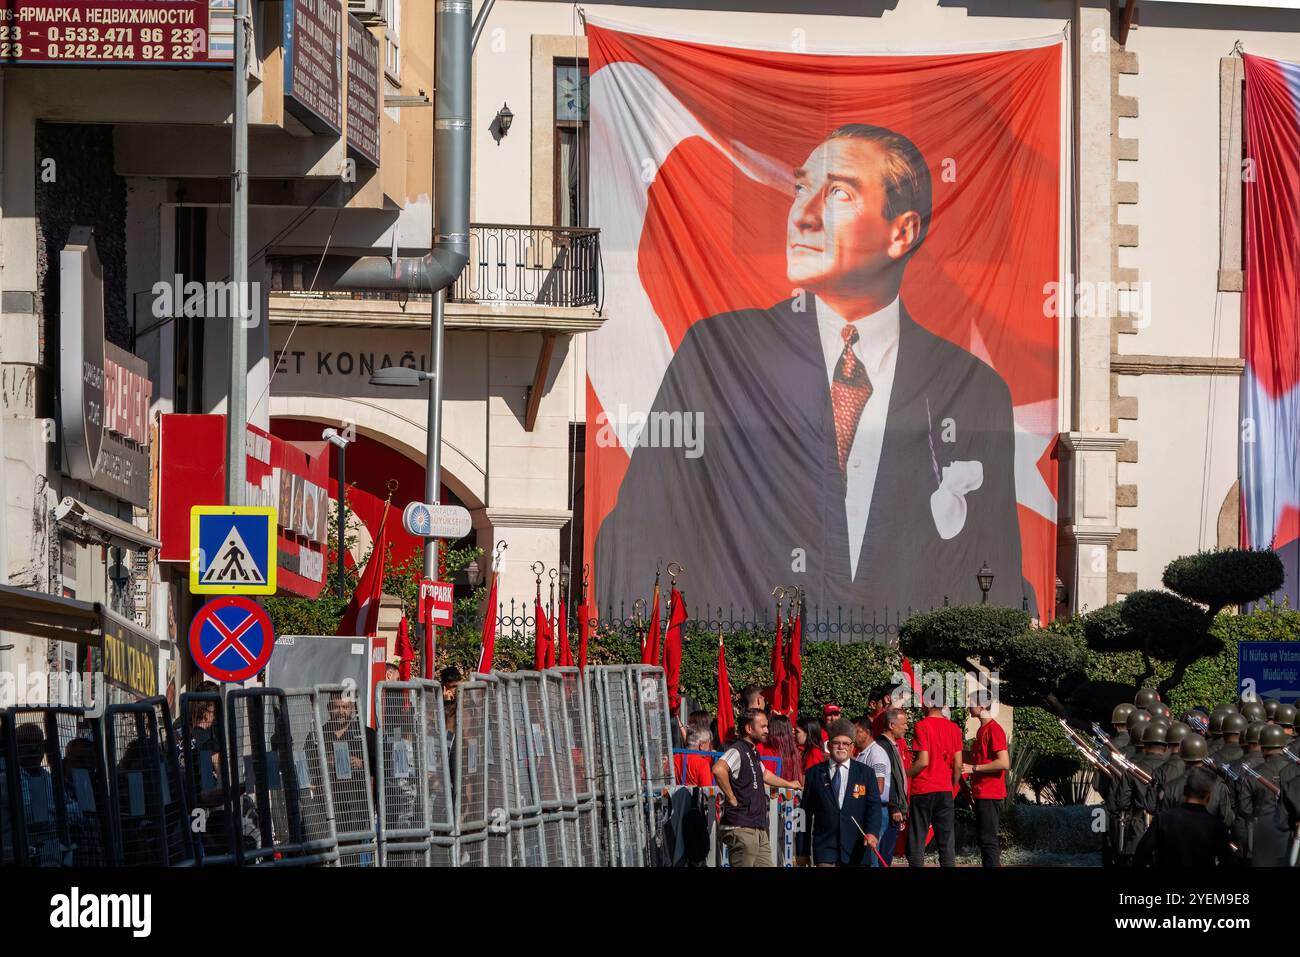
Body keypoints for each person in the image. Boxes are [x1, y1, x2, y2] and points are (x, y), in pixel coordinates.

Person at [594, 123, 1027, 617]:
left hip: (905, 683)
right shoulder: (719, 353)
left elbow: (994, 574)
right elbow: (639, 532)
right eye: (801, 188)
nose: (803, 214)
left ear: (902, 231)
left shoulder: (973, 390)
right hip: (746, 674)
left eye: (839, 193)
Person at [712, 709, 803, 867]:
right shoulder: (737, 749)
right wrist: (731, 797)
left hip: (757, 826)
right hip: (741, 825)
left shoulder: (752, 752)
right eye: (763, 726)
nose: (767, 730)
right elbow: (718, 769)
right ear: (749, 728)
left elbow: (765, 774)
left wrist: (789, 784)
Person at [800, 719, 881, 866]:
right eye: (837, 743)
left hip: (856, 848)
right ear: (829, 745)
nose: (841, 747)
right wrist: (801, 851)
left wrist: (872, 832)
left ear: (852, 747)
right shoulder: (814, 774)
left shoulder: (866, 773)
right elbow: (804, 813)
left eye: (846, 743)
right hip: (825, 848)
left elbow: (874, 807)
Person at [1133, 768, 1237, 868]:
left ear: (1184, 791)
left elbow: (1141, 854)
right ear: (1208, 797)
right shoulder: (1216, 826)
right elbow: (1228, 861)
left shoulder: (1163, 819)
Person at [906, 703, 962, 867]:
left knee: (917, 838)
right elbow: (958, 764)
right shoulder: (954, 728)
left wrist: (905, 774)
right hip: (944, 789)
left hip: (923, 788)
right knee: (946, 841)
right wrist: (952, 786)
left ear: (929, 704)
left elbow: (923, 761)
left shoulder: (922, 725)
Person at [962, 692, 1009, 867]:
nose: (968, 706)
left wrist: (973, 769)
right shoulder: (983, 730)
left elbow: (1003, 762)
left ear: (981, 706)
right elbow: (976, 756)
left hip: (990, 792)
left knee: (988, 840)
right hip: (982, 792)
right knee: (985, 839)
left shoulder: (993, 730)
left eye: (971, 702)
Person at [852, 715, 894, 866]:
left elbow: (879, 787)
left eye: (856, 732)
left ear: (867, 732)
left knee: (871, 858)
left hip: (876, 811)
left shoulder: (876, 753)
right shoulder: (862, 754)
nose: (853, 736)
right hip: (868, 809)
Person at [761, 713, 803, 785]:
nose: (766, 730)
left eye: (768, 727)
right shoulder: (796, 752)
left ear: (773, 730)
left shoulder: (763, 748)